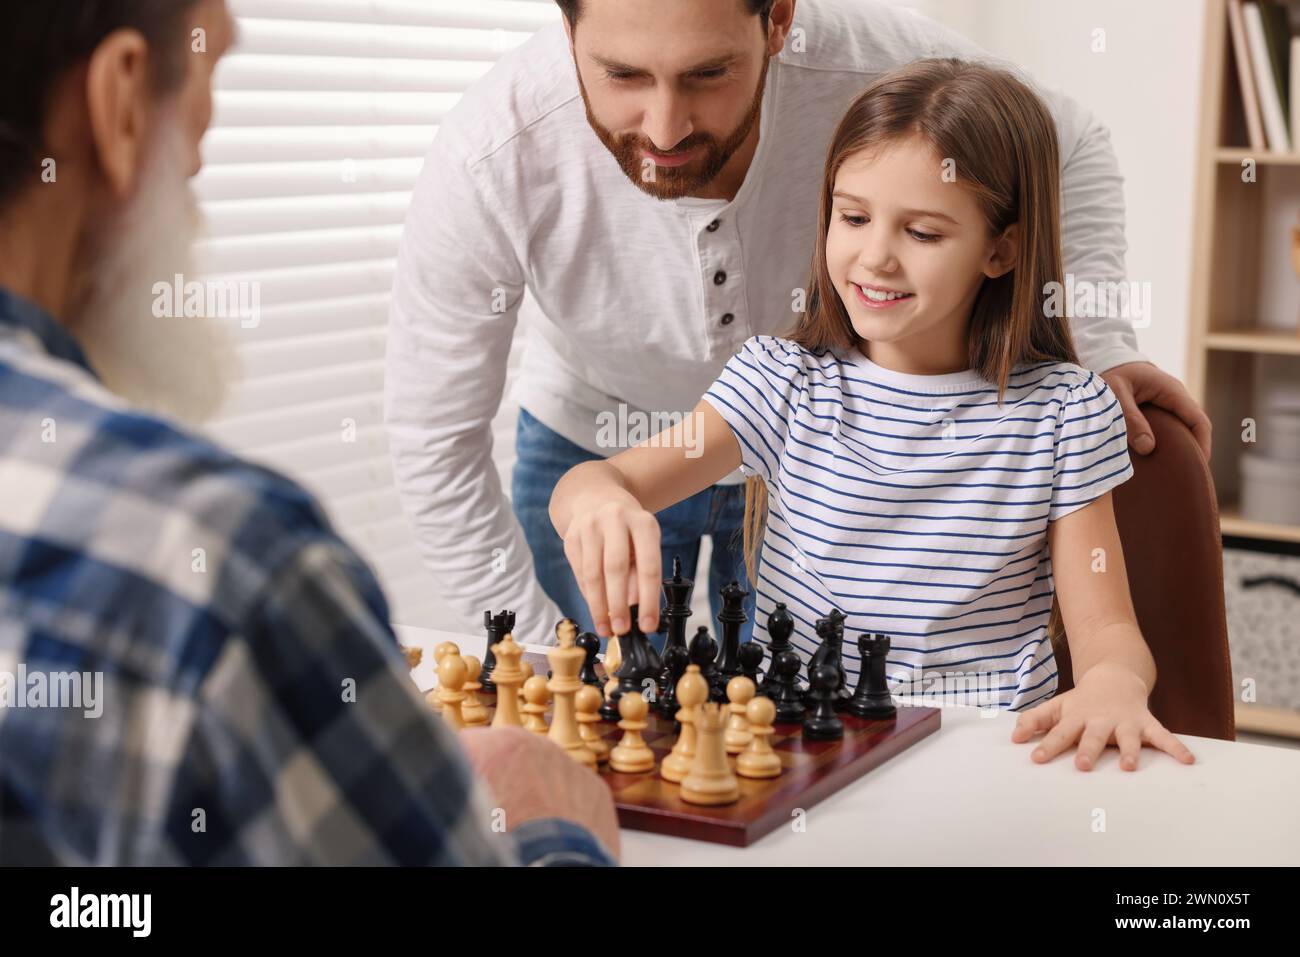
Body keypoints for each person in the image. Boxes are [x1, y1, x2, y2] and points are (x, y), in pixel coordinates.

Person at [385, 0, 1213, 650]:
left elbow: (1076, 141)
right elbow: (435, 441)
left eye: (709, 73)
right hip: (599, 431)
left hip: (816, 448)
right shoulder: (489, 153)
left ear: (779, 18)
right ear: (567, 28)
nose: (666, 128)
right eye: (624, 74)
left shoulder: (875, 64)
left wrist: (1097, 341)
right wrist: (543, 654)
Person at [0, 0, 618, 865]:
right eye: (207, 92)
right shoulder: (223, 564)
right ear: (123, 100)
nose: (200, 168)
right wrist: (553, 829)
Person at [549, 58, 1198, 774]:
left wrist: (1111, 682)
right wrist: (599, 502)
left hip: (989, 762)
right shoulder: (781, 383)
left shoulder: (1063, 414)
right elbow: (596, 481)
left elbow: (1108, 632)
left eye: (922, 233)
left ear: (1001, 249)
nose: (875, 257)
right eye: (853, 216)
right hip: (803, 752)